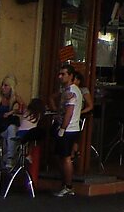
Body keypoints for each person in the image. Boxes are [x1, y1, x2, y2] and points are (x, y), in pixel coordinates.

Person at [54, 64, 83, 197]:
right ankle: (65, 183)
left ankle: (68, 186)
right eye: (60, 74)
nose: (60, 76)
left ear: (71, 76)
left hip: (69, 129)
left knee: (66, 158)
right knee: (61, 157)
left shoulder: (72, 91)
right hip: (68, 127)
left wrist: (62, 128)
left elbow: (69, 112)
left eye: (63, 74)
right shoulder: (67, 90)